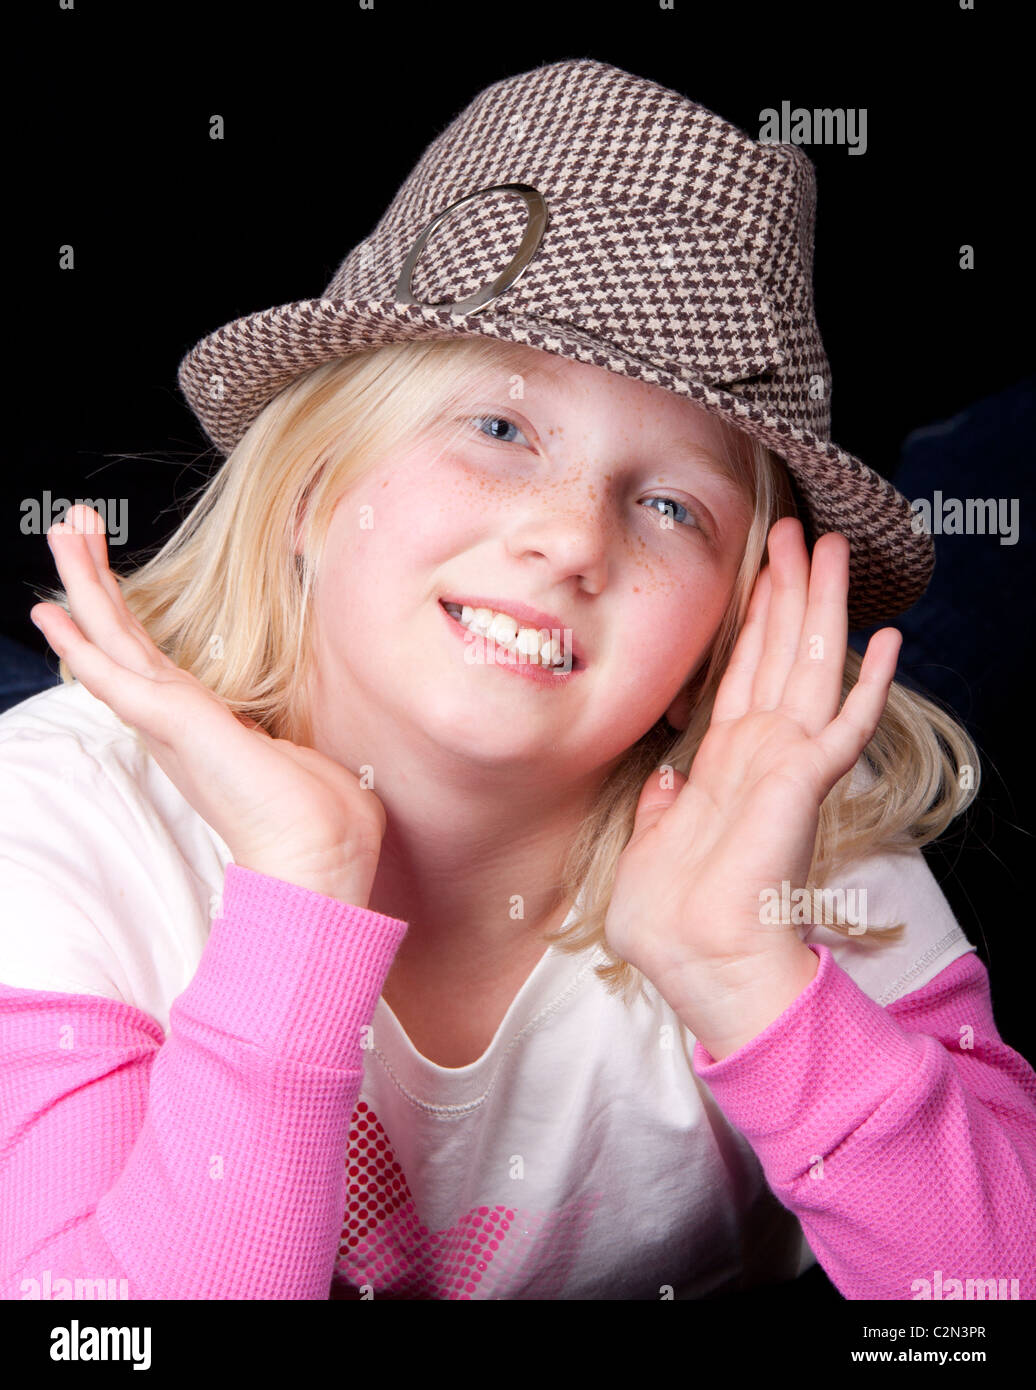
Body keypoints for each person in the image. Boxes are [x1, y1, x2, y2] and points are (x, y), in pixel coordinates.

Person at [2, 58, 1034, 1303]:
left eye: (670, 506)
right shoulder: (58, 823)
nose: (572, 538)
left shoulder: (798, 850)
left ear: (727, 628)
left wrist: (741, 970)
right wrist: (298, 892)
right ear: (313, 485)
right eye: (498, 429)